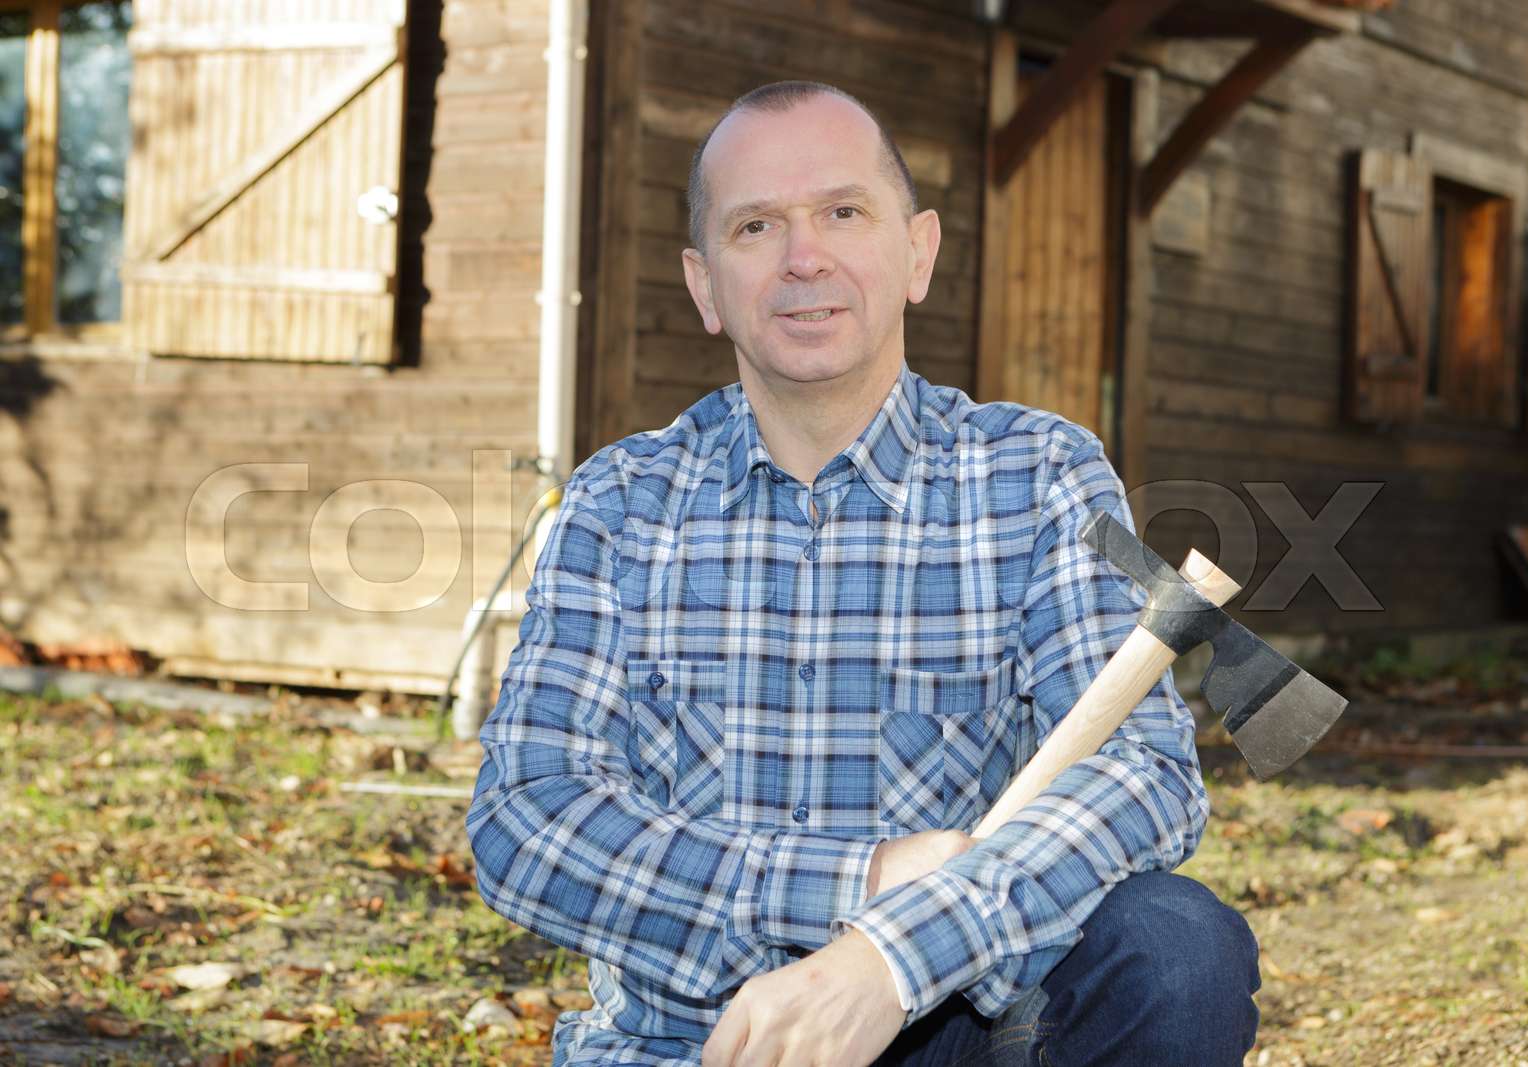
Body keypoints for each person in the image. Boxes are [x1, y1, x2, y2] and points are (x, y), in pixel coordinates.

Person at [467, 80, 1260, 1067]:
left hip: (954, 1028)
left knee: (1175, 947)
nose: (805, 257)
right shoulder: (620, 503)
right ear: (705, 284)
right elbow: (522, 818)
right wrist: (859, 878)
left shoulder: (1037, 475)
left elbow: (1142, 777)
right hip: (698, 1041)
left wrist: (890, 959)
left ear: (915, 251)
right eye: (755, 225)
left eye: (844, 211)